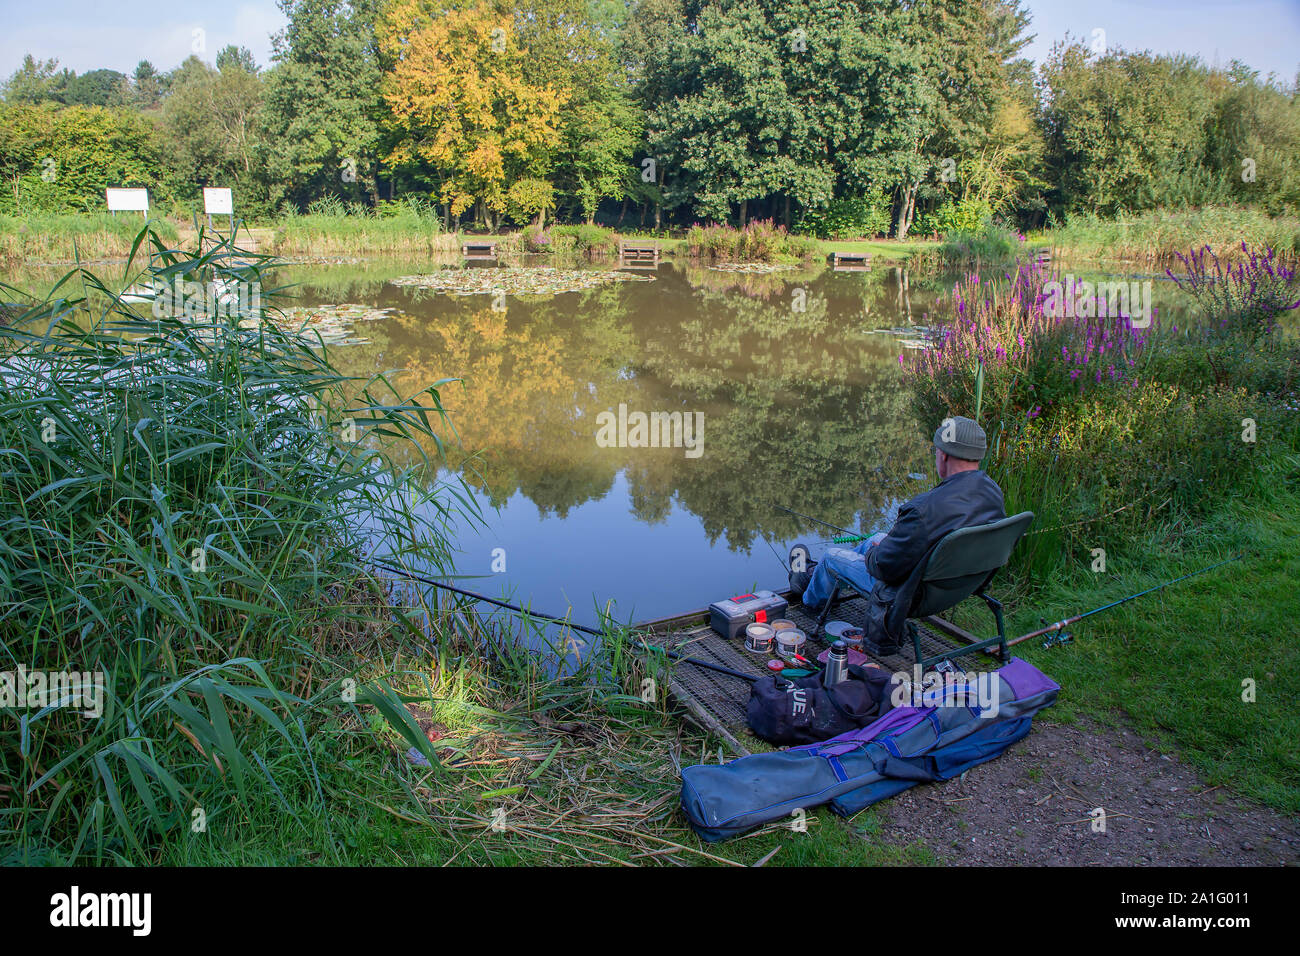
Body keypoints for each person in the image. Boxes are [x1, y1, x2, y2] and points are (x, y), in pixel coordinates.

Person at [789, 416, 1005, 655]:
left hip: (909, 595)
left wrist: (876, 553)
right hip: (960, 584)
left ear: (943, 455)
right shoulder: (992, 493)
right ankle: (818, 578)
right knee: (877, 537)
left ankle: (810, 599)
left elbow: (884, 569)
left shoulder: (924, 509)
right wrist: (884, 544)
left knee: (832, 556)